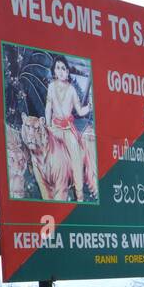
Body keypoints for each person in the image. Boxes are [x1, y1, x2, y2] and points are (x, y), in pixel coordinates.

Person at [45, 55, 93, 202]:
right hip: (54, 129)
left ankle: (79, 194)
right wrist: (48, 127)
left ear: (67, 72)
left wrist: (89, 107)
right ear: (54, 71)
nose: (60, 71)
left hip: (68, 130)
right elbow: (48, 107)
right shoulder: (51, 87)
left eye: (63, 68)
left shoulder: (72, 89)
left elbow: (79, 111)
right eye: (58, 68)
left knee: (76, 160)